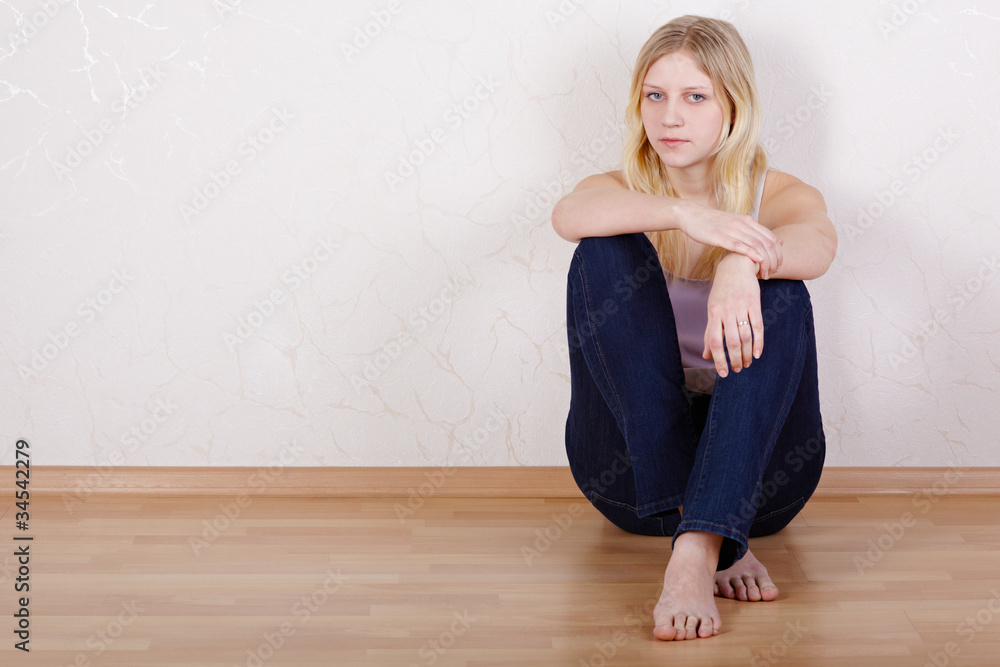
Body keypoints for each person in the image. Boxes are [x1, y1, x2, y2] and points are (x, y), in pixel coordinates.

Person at [550, 15, 837, 641]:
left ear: (733, 105)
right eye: (655, 96)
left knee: (782, 287)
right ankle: (713, 537)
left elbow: (817, 246)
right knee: (600, 251)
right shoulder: (619, 192)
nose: (669, 117)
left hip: (763, 483)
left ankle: (699, 545)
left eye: (694, 96)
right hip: (632, 479)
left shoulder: (780, 193)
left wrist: (742, 260)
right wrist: (685, 215)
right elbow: (569, 215)